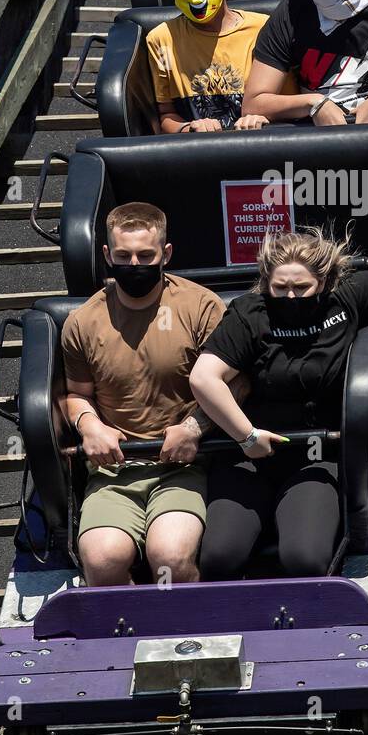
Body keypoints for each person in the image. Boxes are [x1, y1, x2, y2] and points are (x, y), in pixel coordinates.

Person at [189, 228, 368, 578]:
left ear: (324, 282)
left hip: (317, 456)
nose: (290, 296)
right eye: (280, 288)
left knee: (303, 559)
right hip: (250, 457)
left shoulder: (346, 297)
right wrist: (247, 436)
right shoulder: (249, 314)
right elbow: (203, 378)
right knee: (219, 558)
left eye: (301, 288)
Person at [62, 202, 235, 587]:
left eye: (146, 255)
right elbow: (75, 395)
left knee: (169, 559)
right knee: (102, 560)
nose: (134, 264)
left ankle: (186, 632)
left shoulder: (200, 306)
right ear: (108, 256)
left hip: (182, 466)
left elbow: (237, 382)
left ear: (166, 255)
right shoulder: (83, 321)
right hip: (115, 472)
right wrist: (89, 426)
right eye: (123, 256)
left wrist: (194, 427)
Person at [146, 0, 289, 134]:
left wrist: (263, 116)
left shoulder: (264, 27)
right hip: (201, 152)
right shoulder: (162, 38)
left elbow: (287, 100)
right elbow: (166, 115)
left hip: (263, 141)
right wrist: (189, 127)